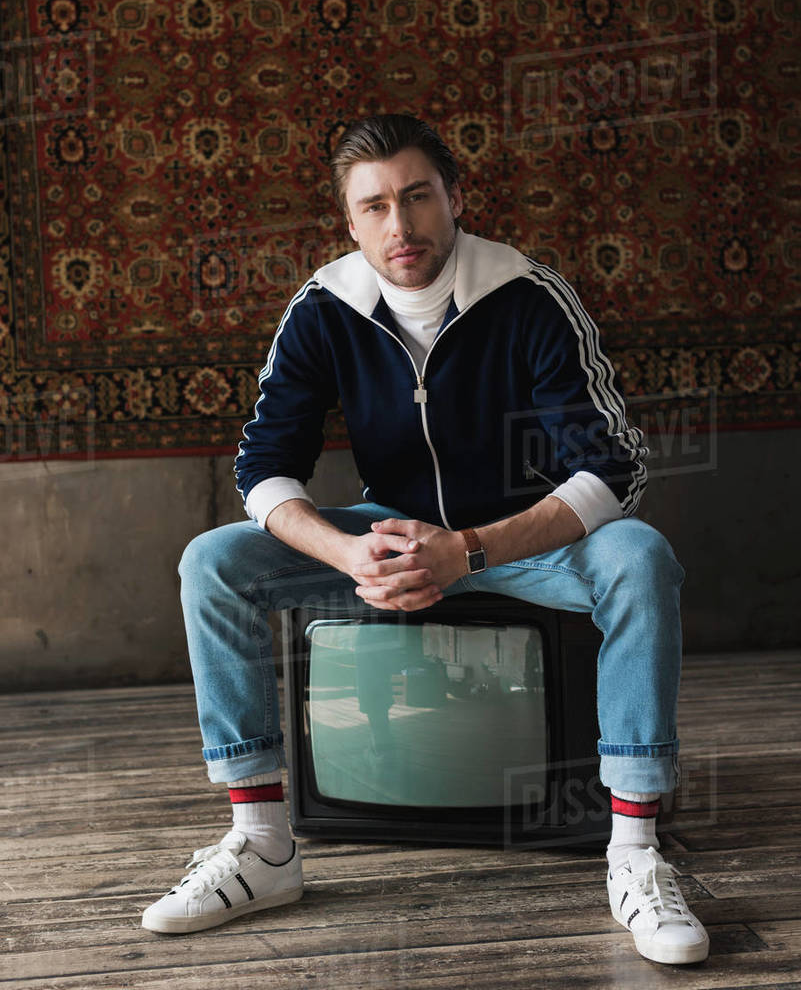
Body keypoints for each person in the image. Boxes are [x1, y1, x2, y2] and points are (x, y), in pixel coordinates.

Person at [142, 114, 709, 965]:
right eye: (373, 207)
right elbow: (262, 467)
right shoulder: (324, 308)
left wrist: (471, 548)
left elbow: (610, 467)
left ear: (455, 198)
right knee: (212, 561)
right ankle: (261, 843)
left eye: (416, 198)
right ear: (348, 220)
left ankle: (633, 851)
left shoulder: (528, 296)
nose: (398, 227)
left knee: (638, 555)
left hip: (526, 543)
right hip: (390, 535)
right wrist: (347, 552)